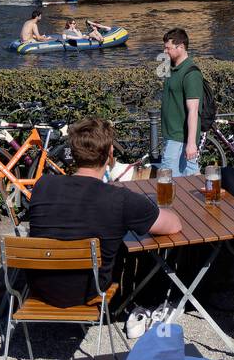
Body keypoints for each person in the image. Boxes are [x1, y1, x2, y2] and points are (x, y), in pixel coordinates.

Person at [27, 118, 181, 306]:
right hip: (89, 289)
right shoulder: (120, 198)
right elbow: (173, 225)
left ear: (73, 154)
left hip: (40, 287)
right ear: (110, 154)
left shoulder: (43, 185)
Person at [159, 28, 203, 177]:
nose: (164, 52)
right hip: (171, 135)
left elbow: (193, 110)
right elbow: (160, 69)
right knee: (191, 178)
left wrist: (191, 143)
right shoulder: (171, 67)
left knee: (167, 179)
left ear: (181, 47)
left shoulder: (191, 74)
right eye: (164, 48)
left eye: (168, 48)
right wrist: (167, 54)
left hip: (179, 138)